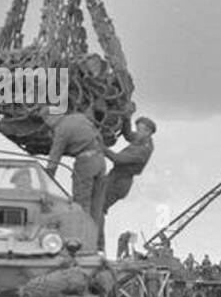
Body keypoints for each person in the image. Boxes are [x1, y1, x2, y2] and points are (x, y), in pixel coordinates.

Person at [41, 106, 107, 249]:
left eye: (45, 120)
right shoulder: (80, 117)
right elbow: (98, 136)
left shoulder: (61, 129)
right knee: (97, 207)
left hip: (86, 164)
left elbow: (55, 155)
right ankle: (98, 245)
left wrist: (48, 177)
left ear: (50, 118)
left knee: (81, 206)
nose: (46, 124)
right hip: (101, 162)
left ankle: (84, 245)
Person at [102, 115, 156, 214]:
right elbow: (128, 134)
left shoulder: (143, 149)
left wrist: (101, 147)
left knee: (98, 208)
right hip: (114, 177)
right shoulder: (142, 139)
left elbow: (117, 159)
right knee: (95, 205)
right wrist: (126, 118)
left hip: (119, 183)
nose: (136, 132)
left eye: (139, 130)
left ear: (148, 132)